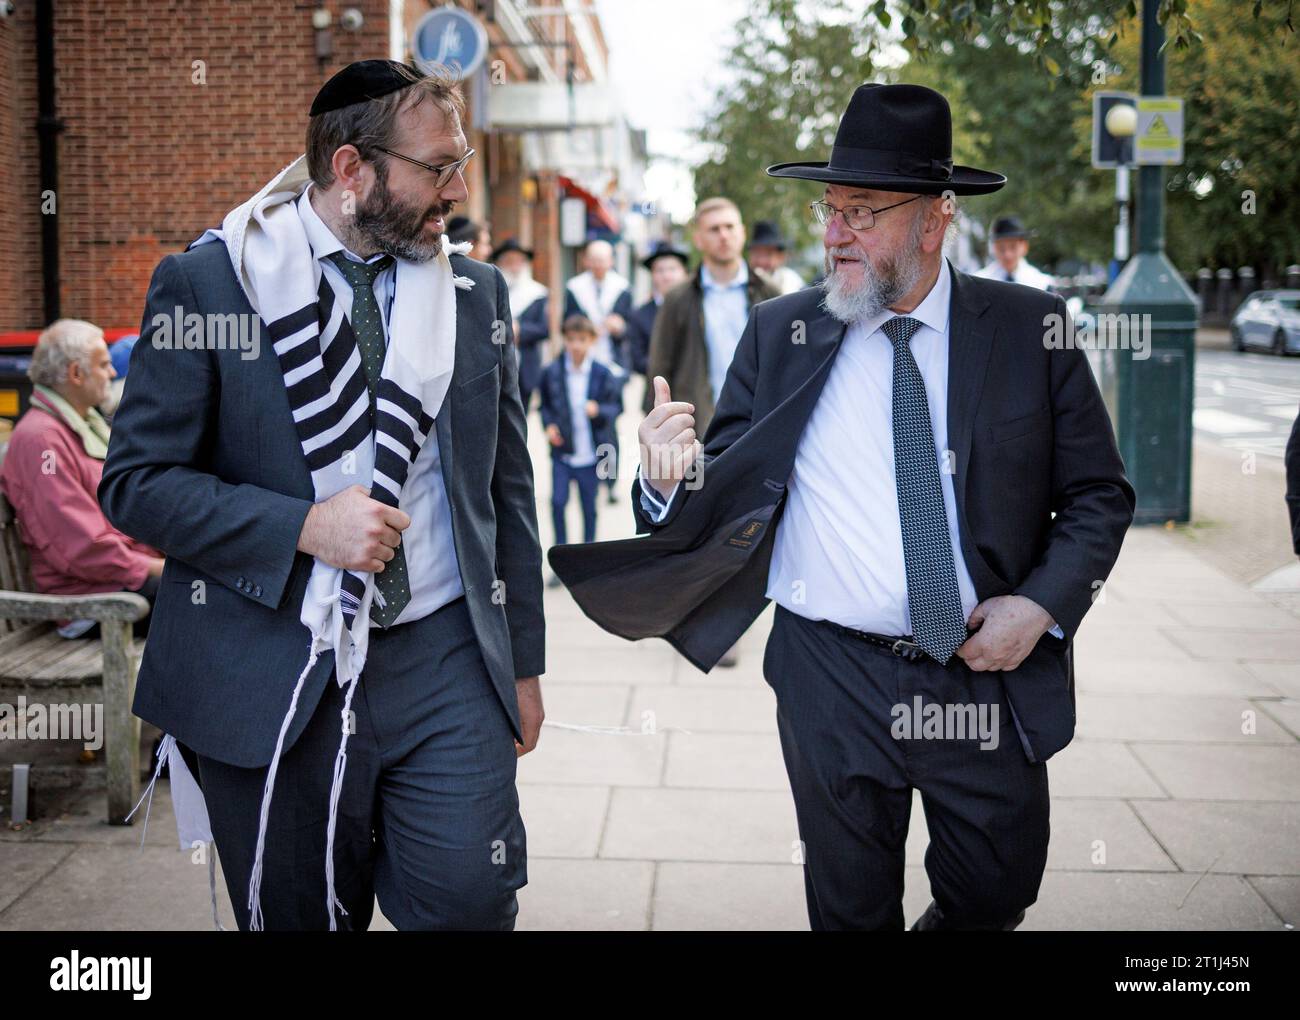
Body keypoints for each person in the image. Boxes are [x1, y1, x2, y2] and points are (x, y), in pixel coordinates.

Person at [550, 83, 1135, 930]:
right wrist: (666, 477)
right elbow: (723, 477)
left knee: (997, 887)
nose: (832, 233)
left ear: (934, 220)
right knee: (849, 909)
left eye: (862, 212)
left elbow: (1098, 494)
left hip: (979, 670)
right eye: (831, 209)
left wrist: (1042, 607)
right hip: (831, 675)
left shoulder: (1029, 329)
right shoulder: (782, 332)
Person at [99, 60, 546, 932]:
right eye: (437, 166)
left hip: (446, 659)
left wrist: (522, 665)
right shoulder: (207, 285)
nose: (457, 188)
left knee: (469, 901)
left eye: (460, 162)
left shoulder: (476, 293)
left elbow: (507, 495)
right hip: (267, 666)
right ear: (352, 171)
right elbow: (137, 486)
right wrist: (302, 527)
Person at [0, 319, 162, 638]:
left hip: (117, 584)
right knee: (213, 602)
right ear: (76, 374)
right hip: (92, 604)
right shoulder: (42, 440)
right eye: (103, 365)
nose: (113, 373)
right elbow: (81, 547)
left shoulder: (81, 426)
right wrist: (155, 568)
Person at [641, 197, 779, 434]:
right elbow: (660, 365)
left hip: (756, 426)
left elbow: (783, 362)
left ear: (742, 233)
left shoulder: (770, 293)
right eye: (714, 229)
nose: (724, 235)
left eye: (730, 227)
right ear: (698, 239)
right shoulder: (678, 298)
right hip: (699, 428)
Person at [539, 315, 622, 576]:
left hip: (591, 455)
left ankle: (587, 561)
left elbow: (616, 407)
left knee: (589, 508)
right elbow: (545, 408)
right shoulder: (552, 371)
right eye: (571, 339)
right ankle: (561, 561)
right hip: (563, 455)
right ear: (564, 340)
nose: (576, 345)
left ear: (592, 341)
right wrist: (549, 426)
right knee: (558, 503)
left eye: (582, 340)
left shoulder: (602, 373)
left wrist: (598, 409)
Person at [564, 240, 634, 503]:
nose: (598, 265)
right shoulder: (575, 288)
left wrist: (620, 327)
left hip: (611, 368)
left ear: (611, 261)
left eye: (603, 259)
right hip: (582, 364)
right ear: (586, 261)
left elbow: (630, 328)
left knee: (608, 424)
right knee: (582, 420)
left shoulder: (622, 288)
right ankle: (585, 475)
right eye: (594, 259)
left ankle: (609, 480)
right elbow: (566, 323)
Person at [492, 238, 549, 412]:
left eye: (519, 261)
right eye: (509, 261)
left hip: (526, 365)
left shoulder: (537, 293)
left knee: (521, 416)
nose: (514, 266)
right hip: (497, 364)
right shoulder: (492, 289)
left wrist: (519, 331)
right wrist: (504, 332)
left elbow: (543, 329)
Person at [625, 241, 690, 377]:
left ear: (684, 272)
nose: (666, 276)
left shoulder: (697, 308)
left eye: (672, 269)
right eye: (660, 270)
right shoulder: (639, 315)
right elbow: (637, 360)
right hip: (656, 389)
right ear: (652, 275)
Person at [975, 215, 1054, 290]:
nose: (1007, 255)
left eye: (1013, 247)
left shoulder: (1041, 284)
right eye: (1001, 248)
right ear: (994, 248)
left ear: (1025, 247)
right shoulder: (979, 282)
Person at [747, 220, 804, 295]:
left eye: (767, 254)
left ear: (781, 257)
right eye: (757, 254)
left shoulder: (791, 282)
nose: (761, 261)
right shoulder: (742, 280)